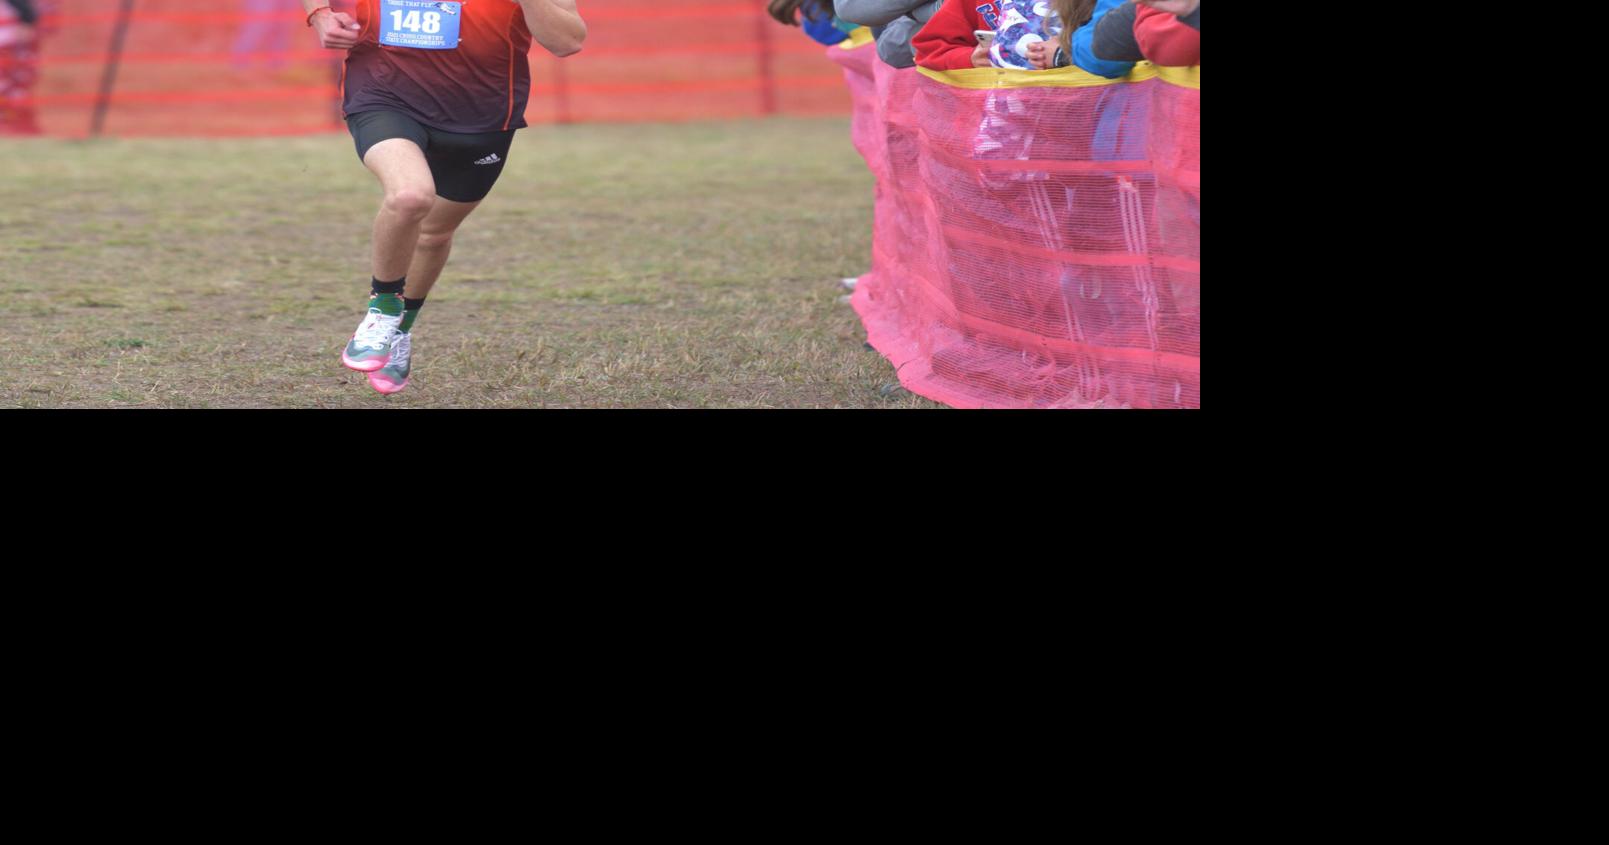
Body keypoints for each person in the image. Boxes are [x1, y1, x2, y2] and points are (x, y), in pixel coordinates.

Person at [304, 0, 586, 394]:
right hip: (384, 91)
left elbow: (568, 41)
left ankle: (400, 330)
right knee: (410, 196)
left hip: (481, 116)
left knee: (434, 232)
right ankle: (383, 308)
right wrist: (318, 13)